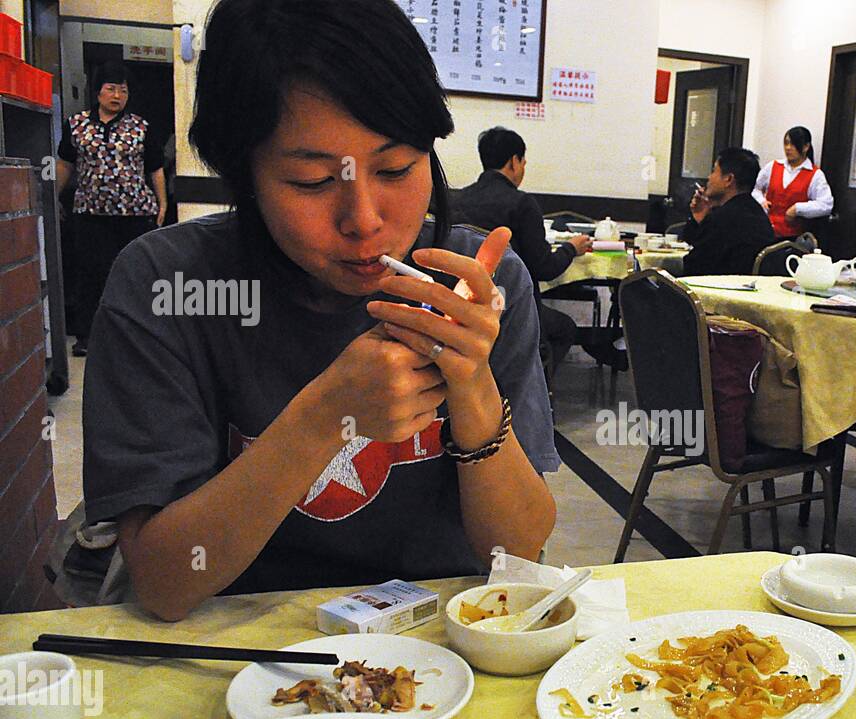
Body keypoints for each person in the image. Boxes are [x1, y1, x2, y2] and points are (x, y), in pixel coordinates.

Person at [80, 0, 558, 621]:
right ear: (242, 174)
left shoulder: (478, 285)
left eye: (395, 168)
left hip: (440, 654)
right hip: (236, 651)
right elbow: (166, 583)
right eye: (310, 181)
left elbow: (520, 553)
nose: (363, 219)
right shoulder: (166, 284)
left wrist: (470, 385)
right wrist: (326, 416)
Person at [451, 127, 589, 383]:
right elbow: (545, 267)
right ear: (514, 161)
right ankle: (529, 389)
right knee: (564, 328)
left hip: (459, 311)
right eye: (523, 162)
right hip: (513, 312)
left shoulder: (457, 199)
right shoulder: (521, 204)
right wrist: (572, 248)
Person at [55, 62, 167, 356]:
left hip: (135, 213)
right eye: (111, 88)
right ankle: (87, 336)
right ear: (98, 92)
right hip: (90, 214)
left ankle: (136, 336)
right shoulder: (76, 124)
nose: (118, 95)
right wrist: (52, 197)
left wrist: (162, 201)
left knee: (135, 274)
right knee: (91, 274)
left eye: (124, 90)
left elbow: (154, 167)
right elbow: (65, 164)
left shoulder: (141, 126)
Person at [680, 147, 775, 277]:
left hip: (718, 290)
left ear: (729, 179)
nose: (709, 177)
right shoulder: (758, 213)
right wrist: (700, 220)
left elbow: (693, 268)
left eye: (714, 171)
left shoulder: (722, 218)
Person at [753, 126, 833, 240]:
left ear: (806, 147)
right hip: (764, 230)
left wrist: (798, 208)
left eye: (793, 144)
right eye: (786, 144)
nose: (788, 148)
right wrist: (761, 201)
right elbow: (755, 189)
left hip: (792, 237)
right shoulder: (773, 166)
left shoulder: (815, 175)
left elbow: (826, 205)